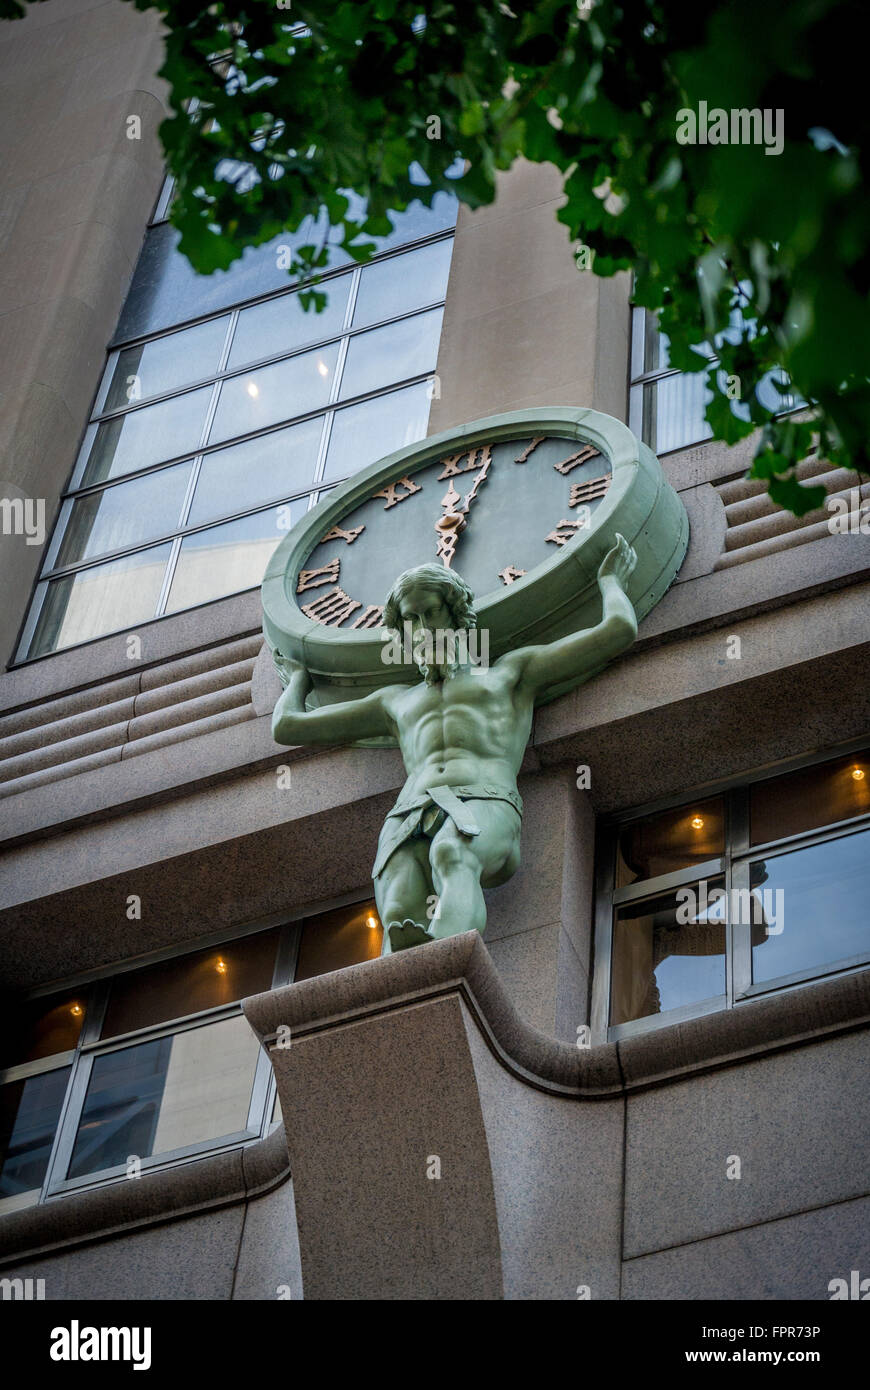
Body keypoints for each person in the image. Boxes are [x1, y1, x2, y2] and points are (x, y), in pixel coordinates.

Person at [272, 534, 638, 952]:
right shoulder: (395, 702)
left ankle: (445, 960)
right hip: (409, 812)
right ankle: (402, 991)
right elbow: (288, 726)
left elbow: (616, 631)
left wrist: (610, 581)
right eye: (411, 620)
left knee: (452, 853)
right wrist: (298, 675)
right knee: (397, 907)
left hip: (483, 798)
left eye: (430, 613)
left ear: (455, 613)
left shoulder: (508, 675)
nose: (423, 628)